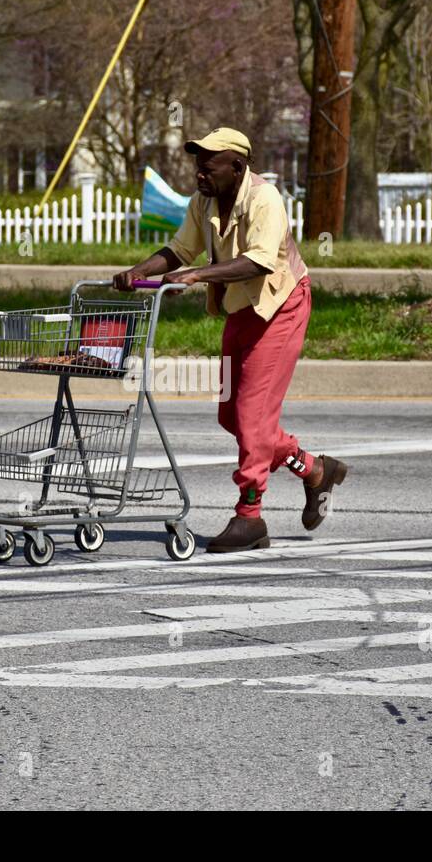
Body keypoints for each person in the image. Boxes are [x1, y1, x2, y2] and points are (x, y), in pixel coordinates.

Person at [113, 127, 348, 553]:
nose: (199, 173)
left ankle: (250, 517)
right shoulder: (202, 201)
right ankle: (314, 470)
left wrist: (198, 275)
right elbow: (180, 250)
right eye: (198, 165)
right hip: (242, 308)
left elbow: (259, 260)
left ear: (237, 166)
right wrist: (138, 271)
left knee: (253, 419)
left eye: (208, 165)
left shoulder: (264, 199)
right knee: (232, 418)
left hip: (281, 306)